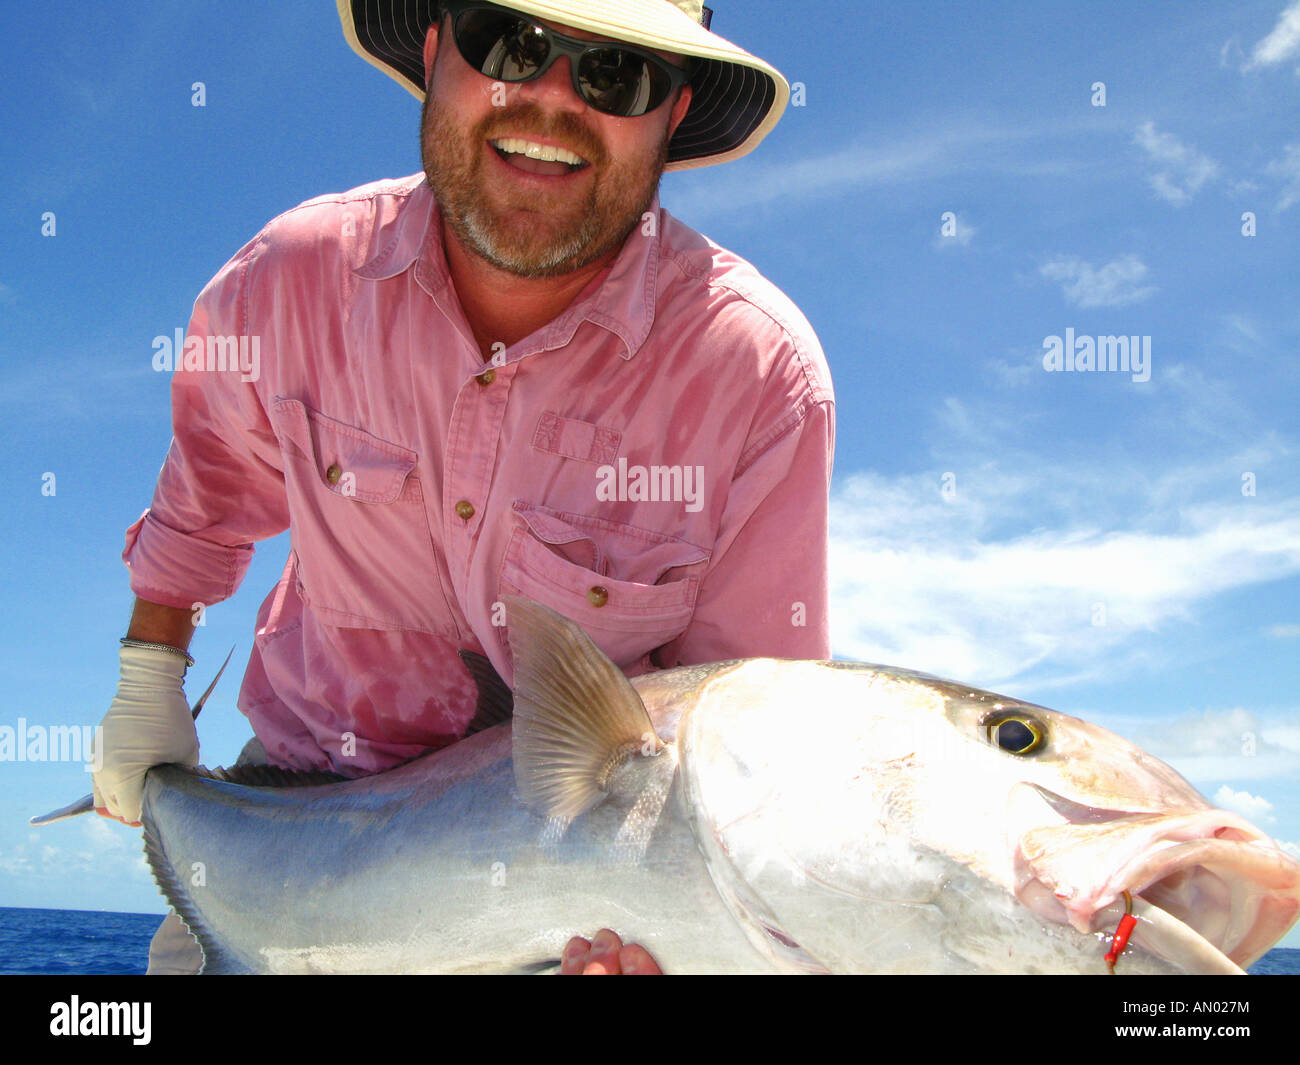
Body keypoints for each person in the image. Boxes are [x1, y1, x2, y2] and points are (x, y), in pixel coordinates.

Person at [94, 0, 834, 975]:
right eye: (511, 43)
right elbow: (208, 496)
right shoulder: (287, 280)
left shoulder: (758, 377)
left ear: (673, 111)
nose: (551, 98)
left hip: (551, 912)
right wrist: (149, 675)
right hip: (278, 823)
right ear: (437, 50)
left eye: (616, 74)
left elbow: (735, 735)